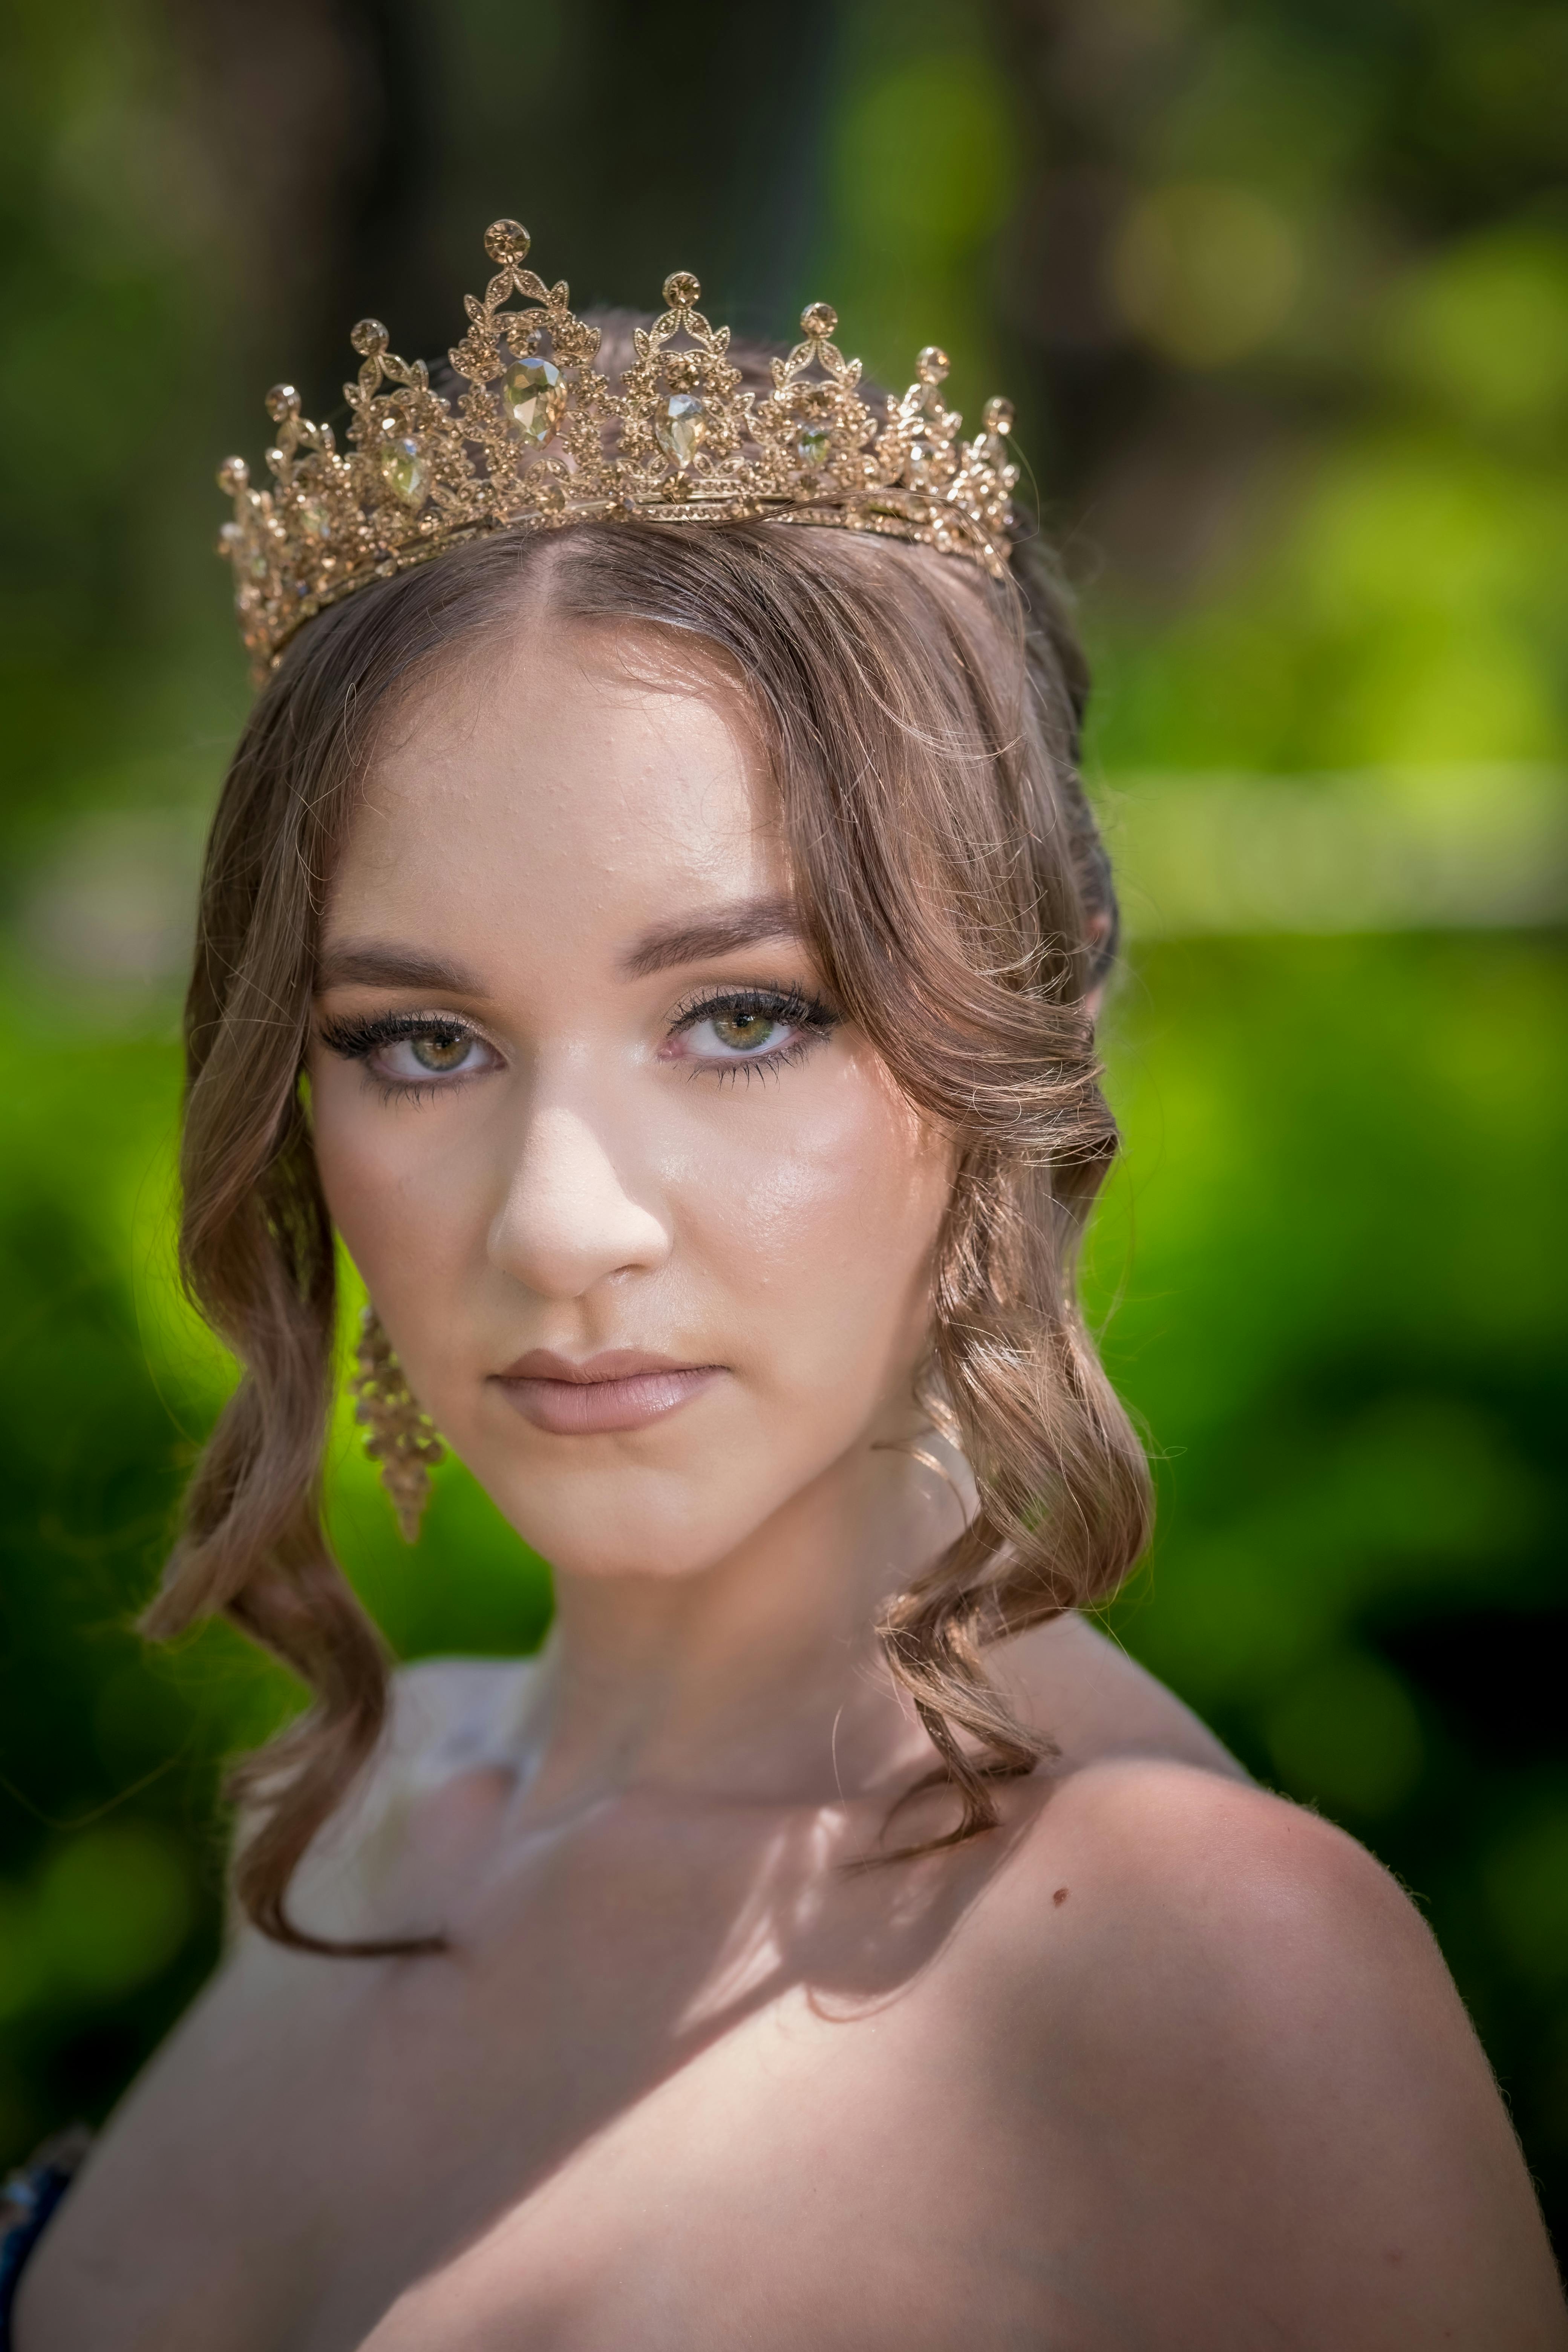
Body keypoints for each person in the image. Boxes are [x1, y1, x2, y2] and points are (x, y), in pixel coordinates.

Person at [8, 222, 1564, 2351]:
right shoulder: (361, 1811)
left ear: (1040, 1017)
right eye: (417, 1040)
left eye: (744, 1016)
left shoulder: (1212, 1972)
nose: (559, 1222)